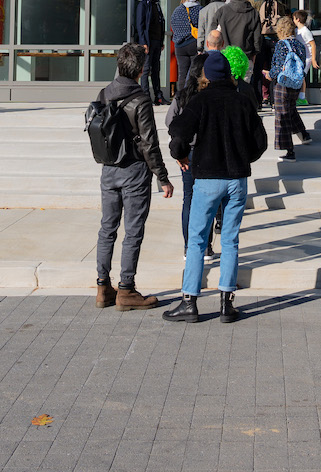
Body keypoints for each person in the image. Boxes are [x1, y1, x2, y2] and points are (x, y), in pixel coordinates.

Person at [165, 49, 267, 323]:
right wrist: (243, 157)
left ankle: (189, 301)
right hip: (236, 178)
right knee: (230, 240)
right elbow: (260, 143)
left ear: (207, 74)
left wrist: (181, 155)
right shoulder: (242, 102)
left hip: (207, 177)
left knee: (198, 240)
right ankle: (227, 303)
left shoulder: (200, 101)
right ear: (230, 74)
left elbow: (177, 133)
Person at [94, 42, 174, 311]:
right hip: (135, 171)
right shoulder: (140, 99)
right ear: (140, 70)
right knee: (133, 231)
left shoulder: (104, 93)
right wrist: (163, 177)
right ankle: (126, 290)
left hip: (108, 169)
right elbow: (149, 144)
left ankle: (103, 287)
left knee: (107, 228)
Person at [167, 27, 224, 254]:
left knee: (189, 199)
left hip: (188, 155)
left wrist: (179, 147)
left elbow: (170, 121)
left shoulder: (182, 95)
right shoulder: (211, 96)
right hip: (207, 153)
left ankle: (190, 246)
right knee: (209, 201)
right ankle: (205, 246)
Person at [264, 15, 310, 160]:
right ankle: (304, 134)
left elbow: (277, 67)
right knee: (290, 109)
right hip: (295, 83)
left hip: (283, 83)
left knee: (282, 115)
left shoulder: (282, 45)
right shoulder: (300, 45)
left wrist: (269, 75)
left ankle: (290, 151)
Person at [214, 0, 259, 100]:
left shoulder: (222, 11)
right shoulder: (253, 13)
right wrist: (255, 54)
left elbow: (214, 33)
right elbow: (257, 37)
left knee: (227, 90)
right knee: (245, 89)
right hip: (246, 55)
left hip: (226, 55)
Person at [250, 0, 287, 108]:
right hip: (275, 39)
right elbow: (282, 18)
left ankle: (258, 101)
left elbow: (251, 19)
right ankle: (274, 101)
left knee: (258, 70)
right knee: (274, 69)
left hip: (259, 38)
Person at [133, 0, 167, 105]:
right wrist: (143, 43)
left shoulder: (156, 4)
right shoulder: (144, 4)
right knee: (146, 69)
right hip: (148, 42)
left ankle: (158, 96)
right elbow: (140, 25)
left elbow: (160, 22)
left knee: (156, 69)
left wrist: (161, 40)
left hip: (157, 41)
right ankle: (146, 96)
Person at [169, 0, 200, 97]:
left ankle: (181, 96)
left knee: (182, 73)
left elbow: (173, 25)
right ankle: (192, 95)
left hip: (179, 46)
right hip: (193, 43)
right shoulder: (199, 9)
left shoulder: (177, 11)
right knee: (194, 73)